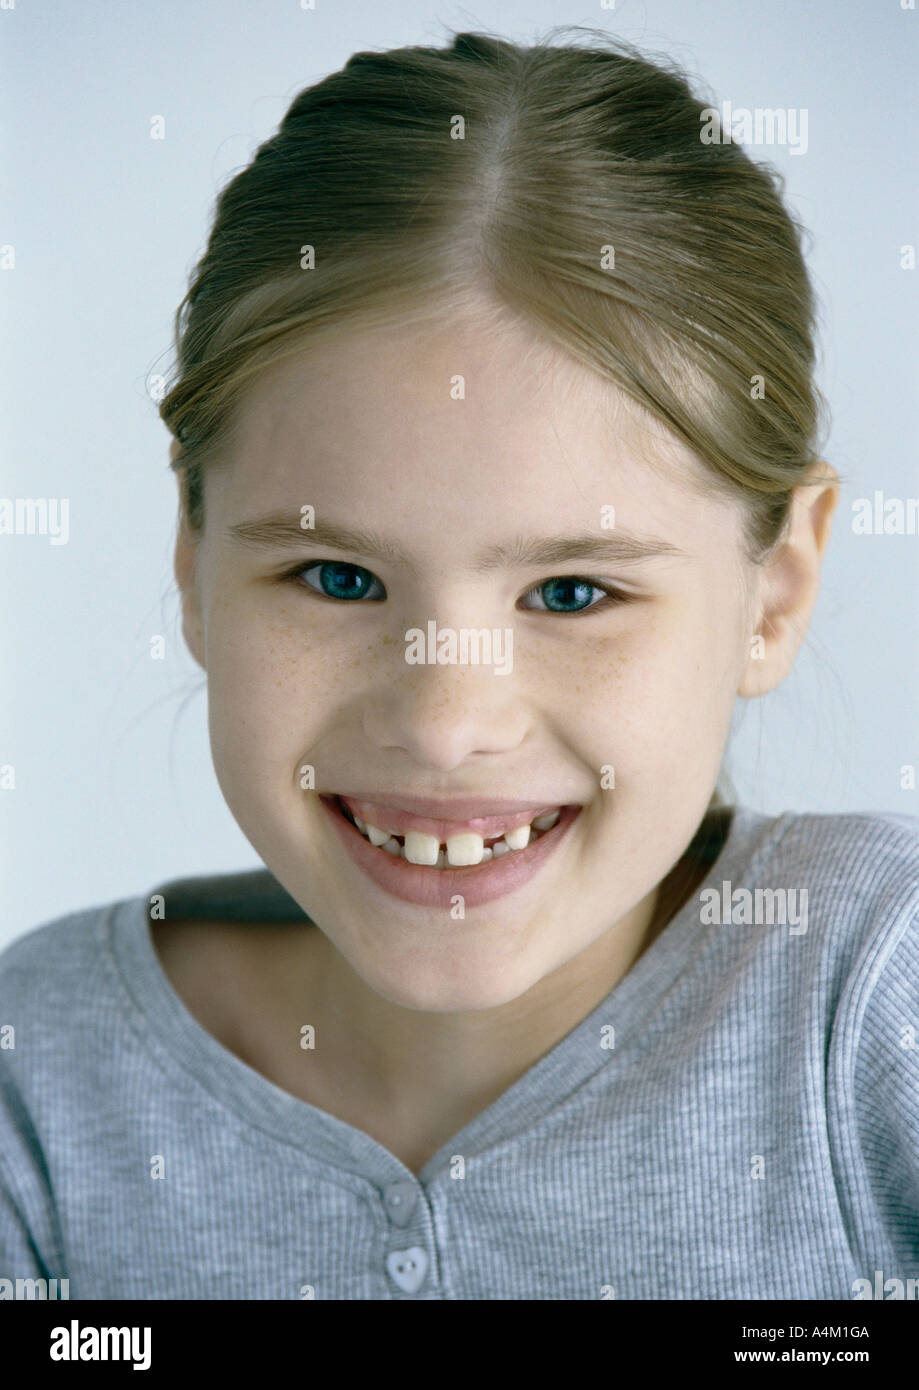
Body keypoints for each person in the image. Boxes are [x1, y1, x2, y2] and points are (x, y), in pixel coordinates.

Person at [2, 28, 917, 1301]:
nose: (443, 722)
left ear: (774, 592)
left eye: (572, 593)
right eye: (337, 579)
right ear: (192, 556)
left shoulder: (874, 1000)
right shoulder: (38, 1086)